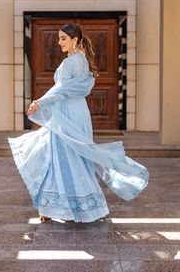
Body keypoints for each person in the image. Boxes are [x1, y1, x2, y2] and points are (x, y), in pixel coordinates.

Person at [8, 23, 149, 223]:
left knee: (62, 157)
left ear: (75, 39)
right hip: (80, 113)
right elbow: (66, 89)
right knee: (76, 156)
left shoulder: (70, 63)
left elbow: (61, 90)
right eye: (59, 38)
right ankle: (72, 207)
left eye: (63, 38)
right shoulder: (83, 61)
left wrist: (40, 102)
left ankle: (61, 208)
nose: (59, 42)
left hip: (67, 114)